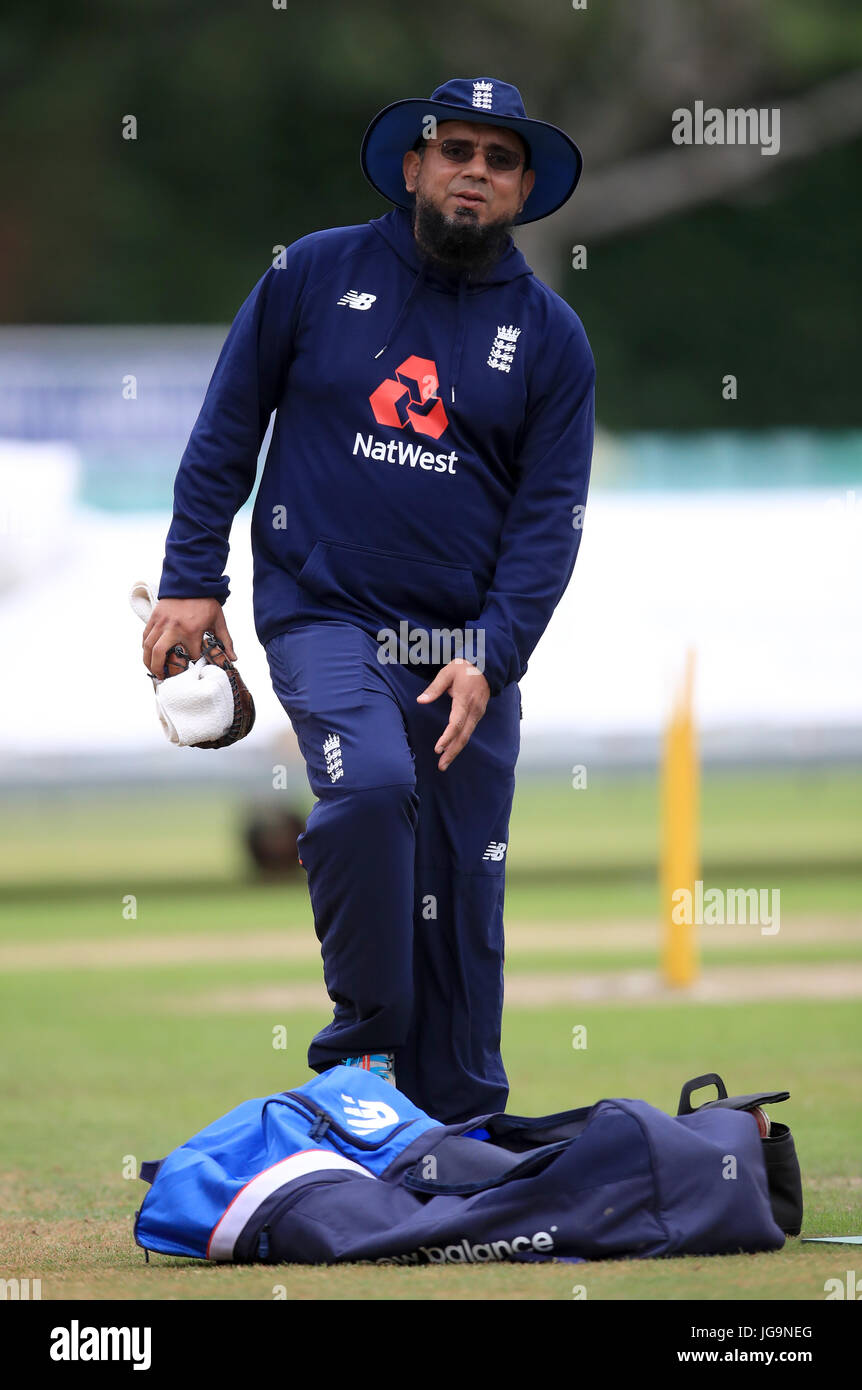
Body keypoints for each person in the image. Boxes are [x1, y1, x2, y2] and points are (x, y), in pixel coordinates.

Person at [144, 77, 595, 1124]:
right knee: (368, 788)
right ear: (413, 166)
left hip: (461, 647)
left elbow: (549, 523)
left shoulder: (551, 337)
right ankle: (362, 1061)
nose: (473, 171)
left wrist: (492, 650)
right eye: (455, 151)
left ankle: (460, 1128)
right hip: (324, 611)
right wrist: (188, 579)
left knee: (462, 892)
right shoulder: (309, 273)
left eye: (498, 158)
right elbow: (225, 430)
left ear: (523, 187)